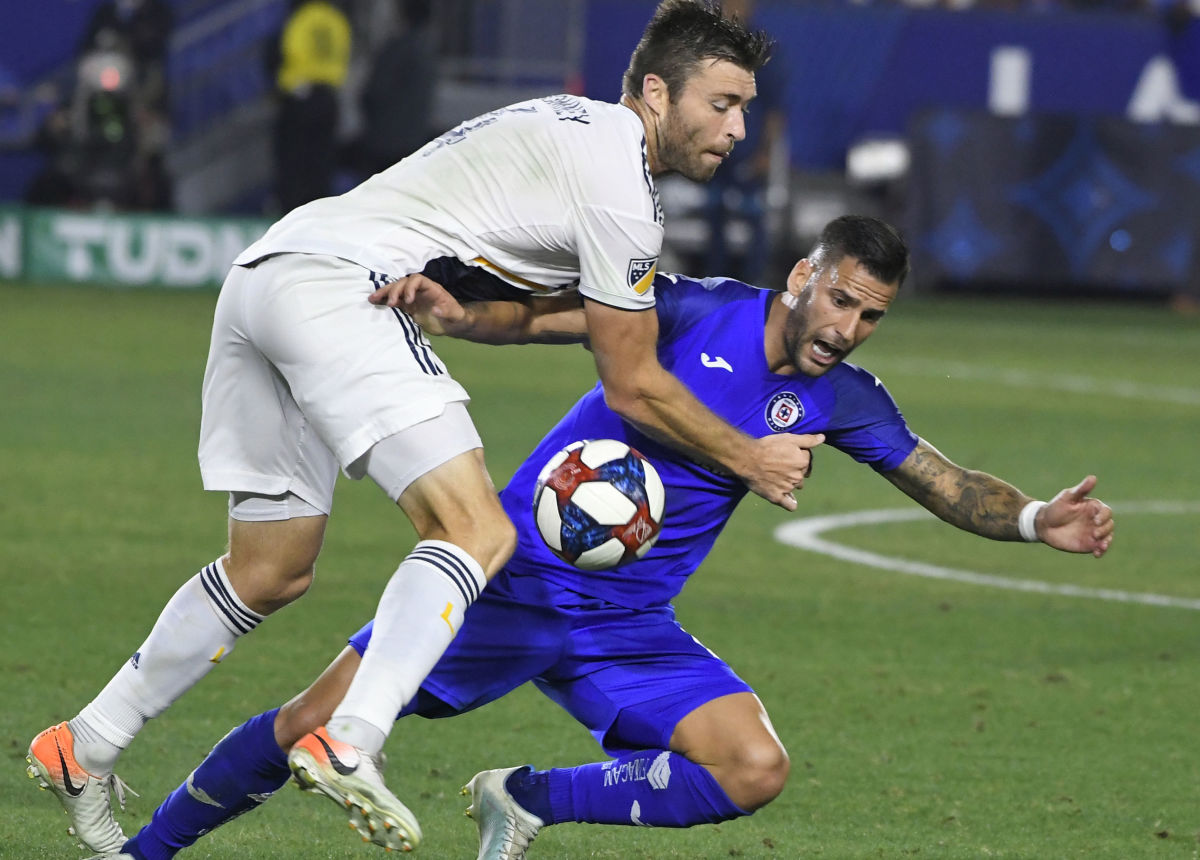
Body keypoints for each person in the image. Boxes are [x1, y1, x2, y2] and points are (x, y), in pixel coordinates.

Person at [77, 216, 1114, 860]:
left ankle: (524, 797)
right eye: (840, 299)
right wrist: (461, 313)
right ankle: (148, 850)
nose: (846, 328)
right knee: (311, 722)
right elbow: (554, 317)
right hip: (510, 583)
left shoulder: (841, 397)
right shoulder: (696, 311)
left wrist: (1034, 519)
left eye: (871, 316)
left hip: (629, 622)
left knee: (751, 767)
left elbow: (943, 480)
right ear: (805, 274)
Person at [26, 2, 807, 855]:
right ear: (657, 93)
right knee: (476, 530)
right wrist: (749, 457)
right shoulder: (624, 191)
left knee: (268, 570)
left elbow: (507, 259)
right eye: (722, 104)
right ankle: (351, 738)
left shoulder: (569, 121)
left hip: (268, 271)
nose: (737, 128)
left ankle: (86, 743)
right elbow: (633, 383)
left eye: (744, 108)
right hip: (344, 287)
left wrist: (462, 306)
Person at [268, 0, 353, 212]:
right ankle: (318, 214)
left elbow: (286, 50)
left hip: (300, 97)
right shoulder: (336, 20)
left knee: (293, 161)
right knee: (321, 162)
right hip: (328, 98)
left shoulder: (302, 17)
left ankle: (290, 212)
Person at [341, 0, 438, 179]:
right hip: (413, 140)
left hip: (385, 141)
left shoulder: (396, 48)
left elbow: (374, 92)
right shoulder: (428, 50)